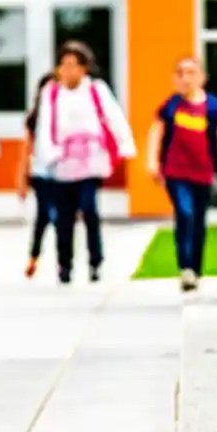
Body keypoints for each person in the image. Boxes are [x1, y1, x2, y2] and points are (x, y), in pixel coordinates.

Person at [34, 41, 136, 284]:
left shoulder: (96, 90)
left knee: (89, 209)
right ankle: (65, 264)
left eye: (74, 65)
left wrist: (125, 143)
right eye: (64, 65)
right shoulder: (52, 92)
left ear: (84, 68)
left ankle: (95, 261)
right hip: (63, 161)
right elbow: (45, 125)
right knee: (64, 217)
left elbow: (114, 116)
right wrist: (49, 154)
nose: (69, 70)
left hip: (91, 159)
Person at [145, 56, 217, 292]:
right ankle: (185, 267)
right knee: (184, 214)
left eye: (190, 73)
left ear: (202, 77)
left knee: (198, 220)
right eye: (180, 73)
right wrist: (153, 163)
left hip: (204, 174)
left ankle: (196, 268)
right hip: (176, 173)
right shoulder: (171, 106)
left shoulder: (213, 107)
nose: (185, 78)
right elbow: (156, 133)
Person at [17, 72, 58, 279]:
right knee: (43, 217)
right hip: (41, 174)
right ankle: (34, 256)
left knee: (62, 219)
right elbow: (26, 151)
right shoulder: (34, 119)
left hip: (64, 174)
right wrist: (21, 180)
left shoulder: (67, 116)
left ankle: (63, 260)